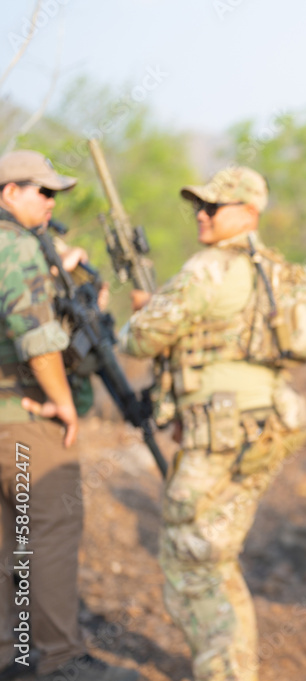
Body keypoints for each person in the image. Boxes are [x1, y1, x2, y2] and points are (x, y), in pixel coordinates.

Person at [121, 167, 306, 681]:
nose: (202, 216)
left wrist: (139, 314)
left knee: (191, 558)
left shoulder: (208, 267)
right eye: (199, 207)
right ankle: (234, 667)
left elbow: (140, 339)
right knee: (215, 554)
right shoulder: (278, 270)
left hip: (220, 432)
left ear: (249, 212)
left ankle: (224, 673)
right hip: (267, 424)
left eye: (214, 207)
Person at [0, 150, 138, 681]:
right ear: (10, 192)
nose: (51, 201)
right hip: (26, 418)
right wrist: (60, 399)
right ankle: (59, 660)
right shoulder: (16, 249)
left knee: (11, 535)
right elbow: (37, 336)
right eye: (42, 190)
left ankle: (12, 655)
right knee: (48, 533)